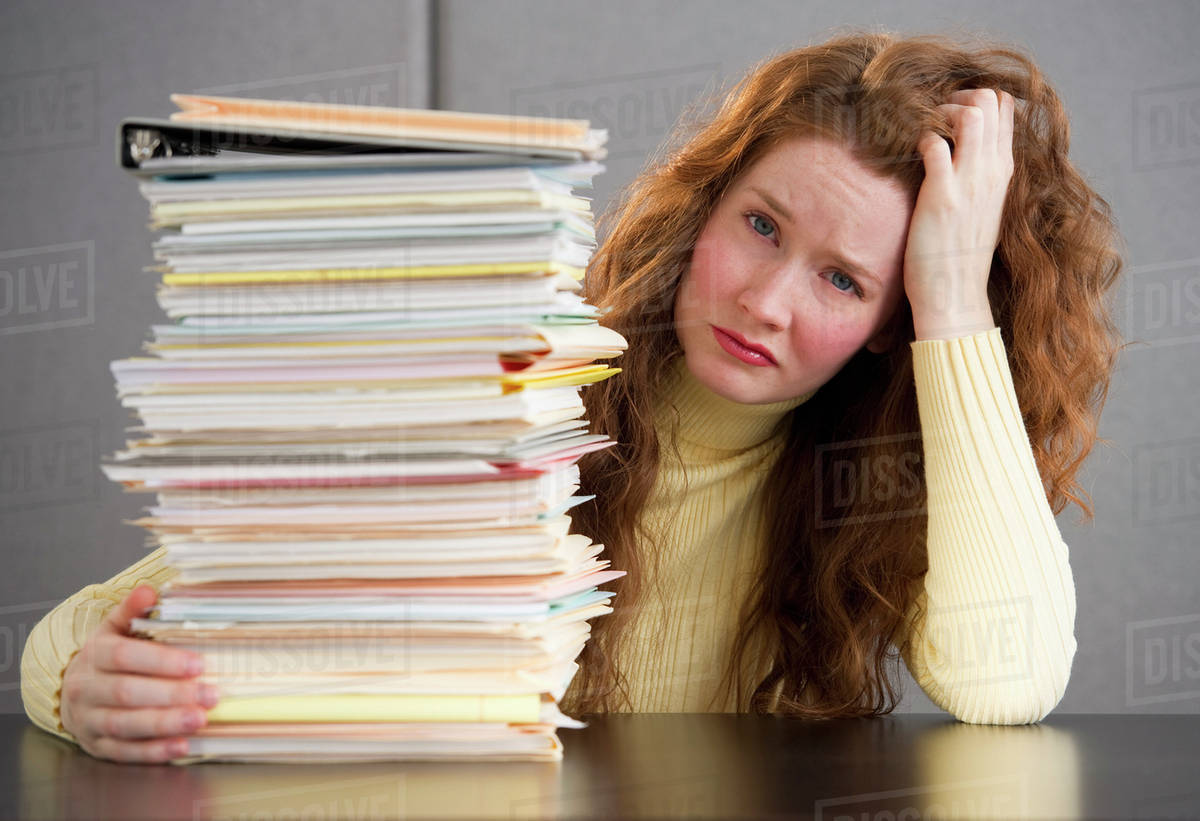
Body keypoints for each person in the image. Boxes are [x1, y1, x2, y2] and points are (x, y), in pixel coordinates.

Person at [21, 30, 1124, 763]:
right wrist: (76, 677)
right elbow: (105, 613)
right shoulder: (519, 390)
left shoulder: (885, 476)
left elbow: (1007, 678)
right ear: (709, 204)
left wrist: (950, 303)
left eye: (844, 279)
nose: (770, 300)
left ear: (894, 319)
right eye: (761, 226)